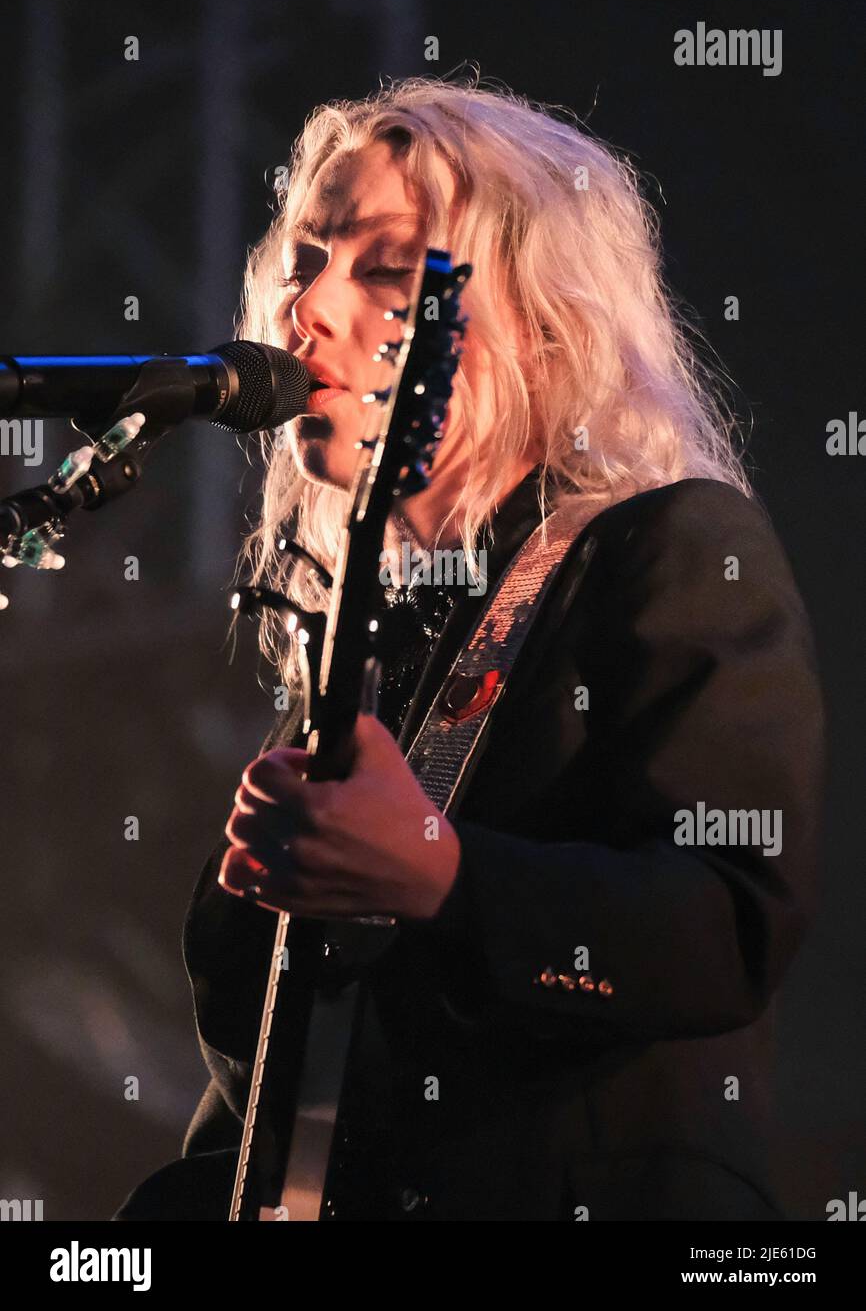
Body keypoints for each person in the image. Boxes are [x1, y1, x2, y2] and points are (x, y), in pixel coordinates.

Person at [114, 75, 824, 1221]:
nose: (309, 311)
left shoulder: (672, 545)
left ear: (543, 330)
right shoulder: (363, 631)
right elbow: (281, 1094)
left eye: (385, 270)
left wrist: (443, 876)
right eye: (303, 260)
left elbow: (727, 926)